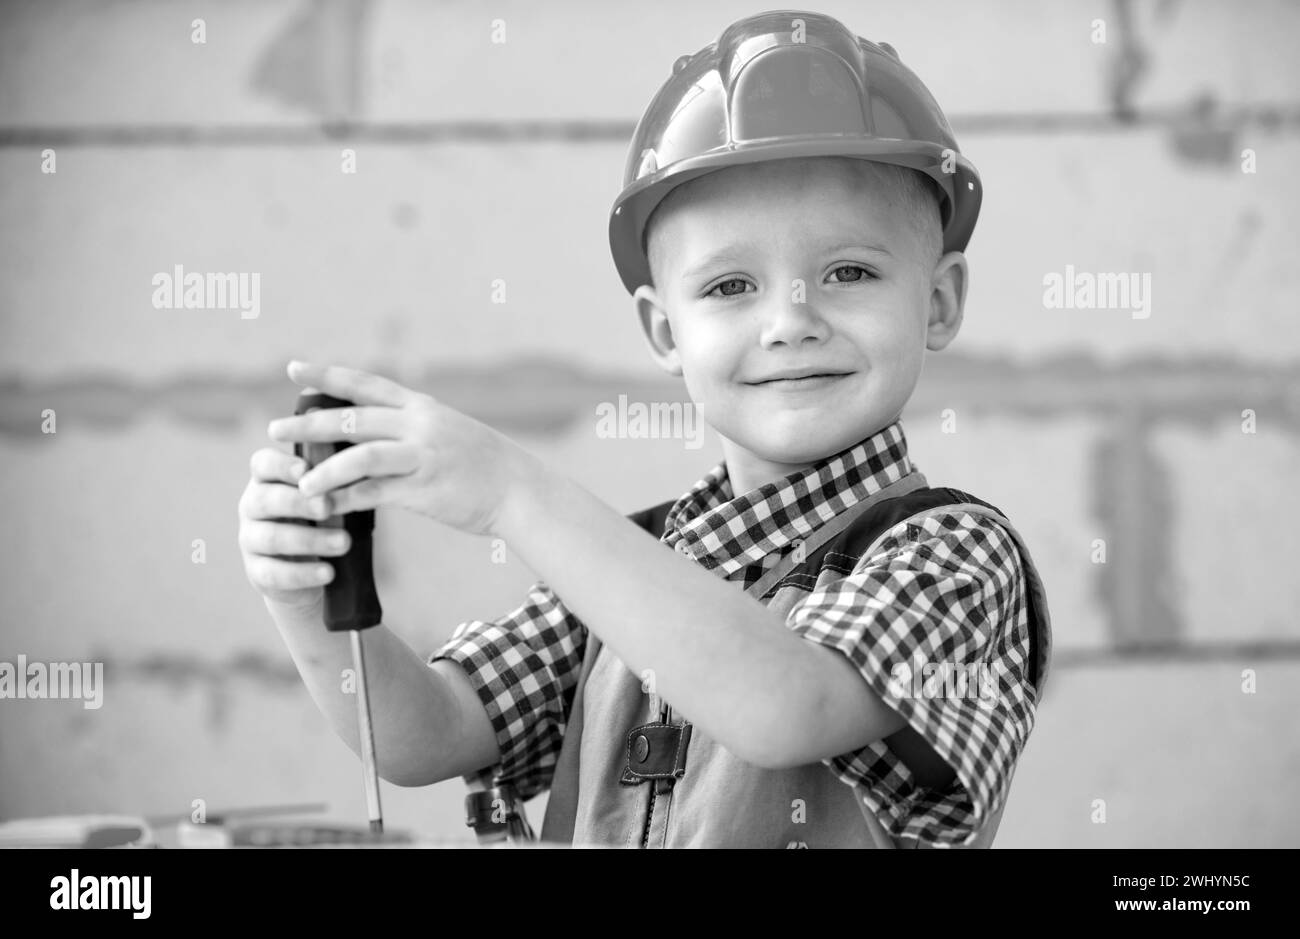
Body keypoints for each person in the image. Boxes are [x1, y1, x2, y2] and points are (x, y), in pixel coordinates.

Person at [237, 10, 1052, 848]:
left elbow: (785, 707)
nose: (791, 322)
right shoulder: (629, 572)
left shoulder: (953, 558)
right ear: (666, 332)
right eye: (732, 286)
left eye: (849, 272)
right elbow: (429, 731)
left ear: (940, 300)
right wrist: (305, 599)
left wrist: (514, 495)